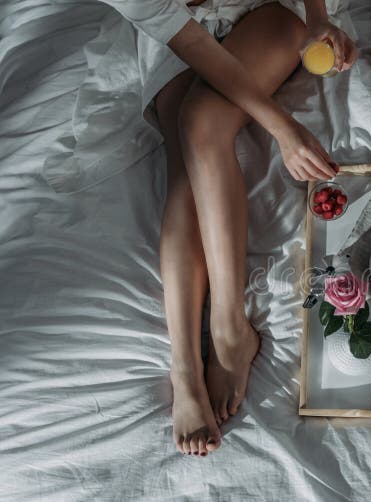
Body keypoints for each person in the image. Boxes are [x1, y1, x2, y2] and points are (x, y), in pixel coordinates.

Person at [100, 0, 357, 456]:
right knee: (185, 160)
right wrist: (281, 128)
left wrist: (318, 18)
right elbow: (192, 41)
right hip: (176, 28)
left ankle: (228, 323)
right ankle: (184, 369)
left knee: (202, 122)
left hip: (270, 6)